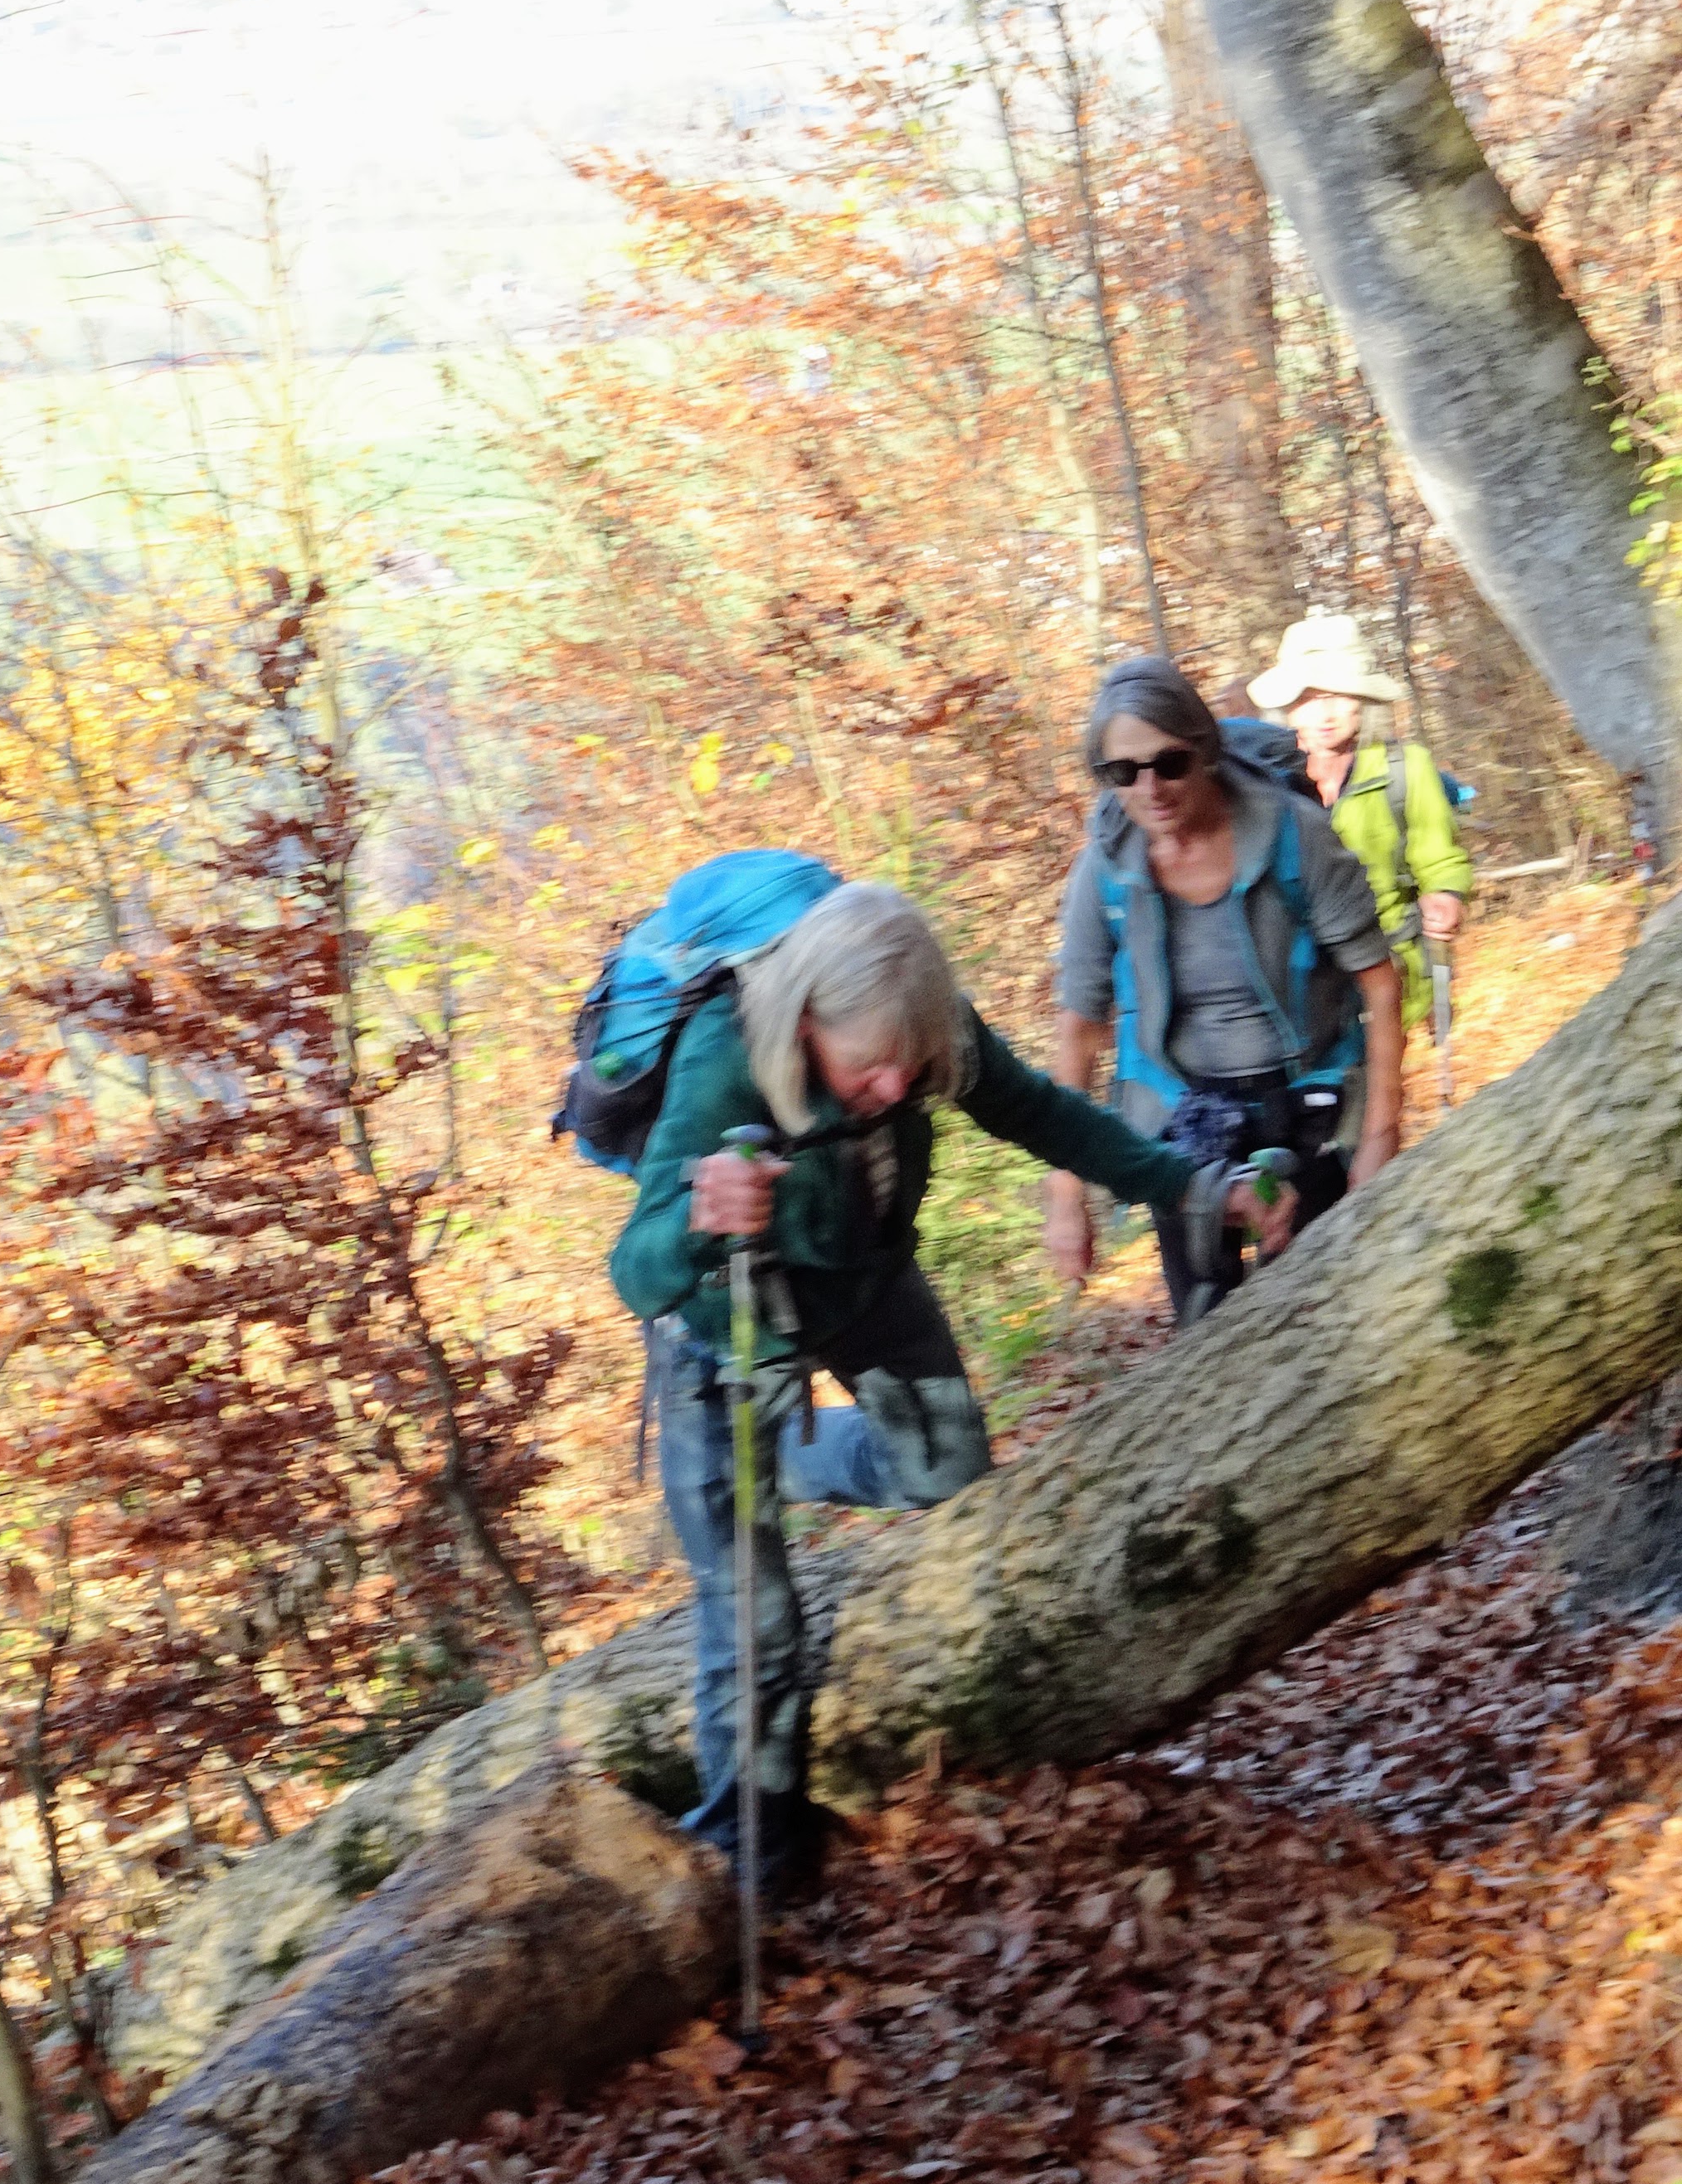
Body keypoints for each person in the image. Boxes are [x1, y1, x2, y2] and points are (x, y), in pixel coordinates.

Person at [607, 877, 1291, 1895]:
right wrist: (702, 1216)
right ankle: (753, 1852)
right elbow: (636, 1272)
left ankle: (785, 1458)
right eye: (866, 1067)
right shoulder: (724, 1063)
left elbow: (1045, 1116)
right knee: (754, 1620)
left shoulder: (923, 1022)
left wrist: (1196, 1189)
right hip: (724, 1329)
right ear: (804, 1021)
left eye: (908, 1066)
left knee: (948, 1471)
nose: (892, 1089)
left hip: (865, 1279)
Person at [1045, 656, 1404, 1323]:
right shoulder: (1104, 871)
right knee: (1206, 1322)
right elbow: (1079, 1027)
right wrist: (1067, 1194)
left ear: (1204, 750)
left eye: (1170, 763)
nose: (1149, 788)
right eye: (1123, 772)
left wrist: (1380, 1137)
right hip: (1180, 1121)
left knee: (1320, 1315)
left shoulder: (1294, 837)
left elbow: (1380, 985)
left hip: (1308, 1107)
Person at [1248, 614, 1474, 1035]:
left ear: (1362, 700)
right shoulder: (1265, 785)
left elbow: (1438, 855)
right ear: (1289, 708)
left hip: (1395, 977)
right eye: (1308, 698)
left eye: (1336, 695)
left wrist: (1445, 893)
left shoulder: (1406, 769)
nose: (1324, 714)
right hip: (1301, 996)